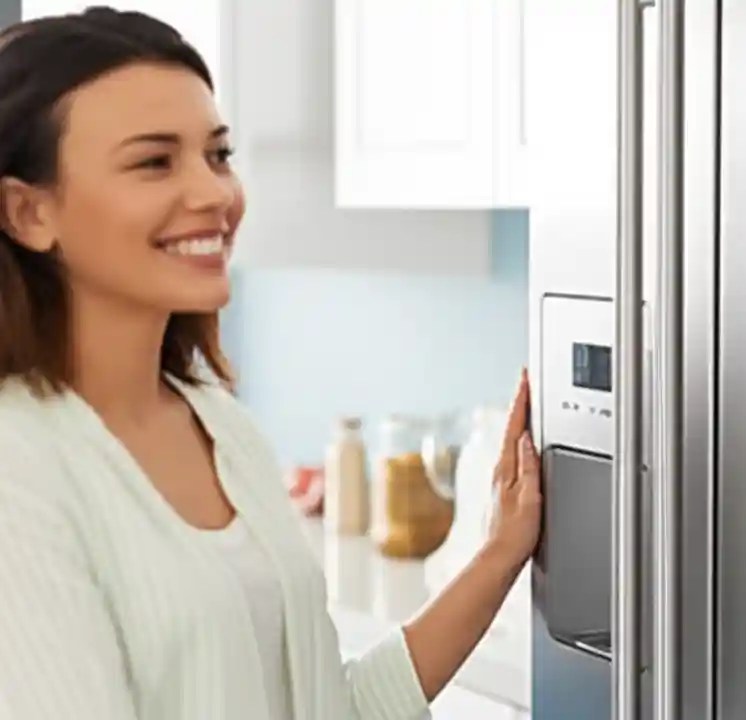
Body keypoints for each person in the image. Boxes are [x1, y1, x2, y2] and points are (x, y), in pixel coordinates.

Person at [0, 8, 542, 720]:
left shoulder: (220, 424)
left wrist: (499, 553)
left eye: (218, 155)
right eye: (154, 162)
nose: (215, 195)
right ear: (28, 212)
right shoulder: (21, 469)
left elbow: (331, 708)